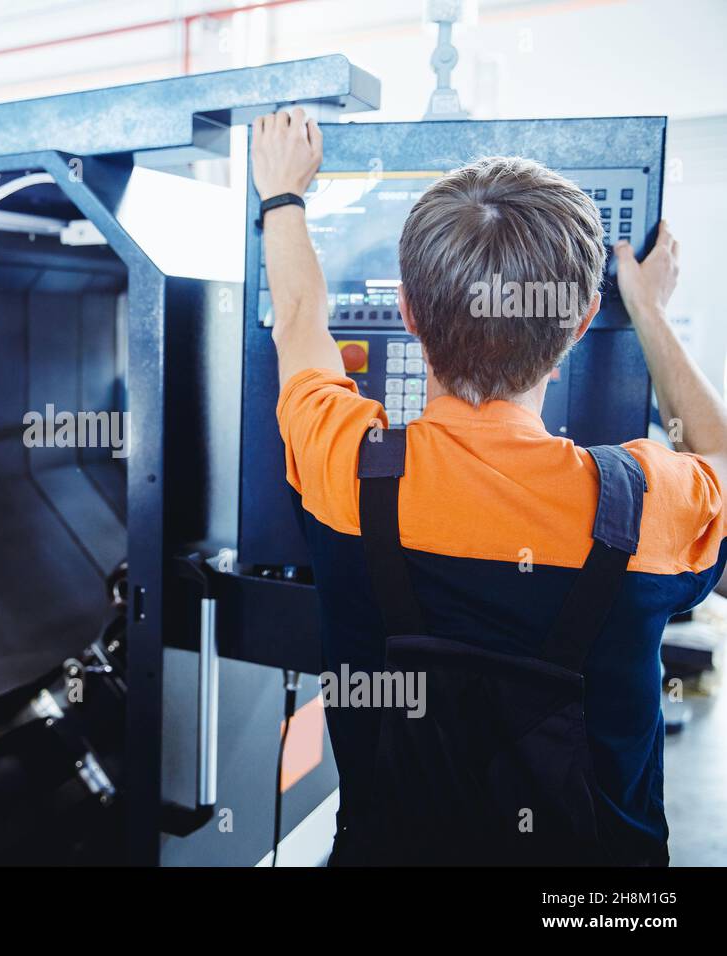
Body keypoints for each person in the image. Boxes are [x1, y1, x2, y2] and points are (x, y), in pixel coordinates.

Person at [251, 107, 727, 865]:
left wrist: (281, 195)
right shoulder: (648, 504)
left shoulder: (347, 465)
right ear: (579, 324)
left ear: (407, 313)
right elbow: (718, 447)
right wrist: (650, 311)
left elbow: (300, 322)